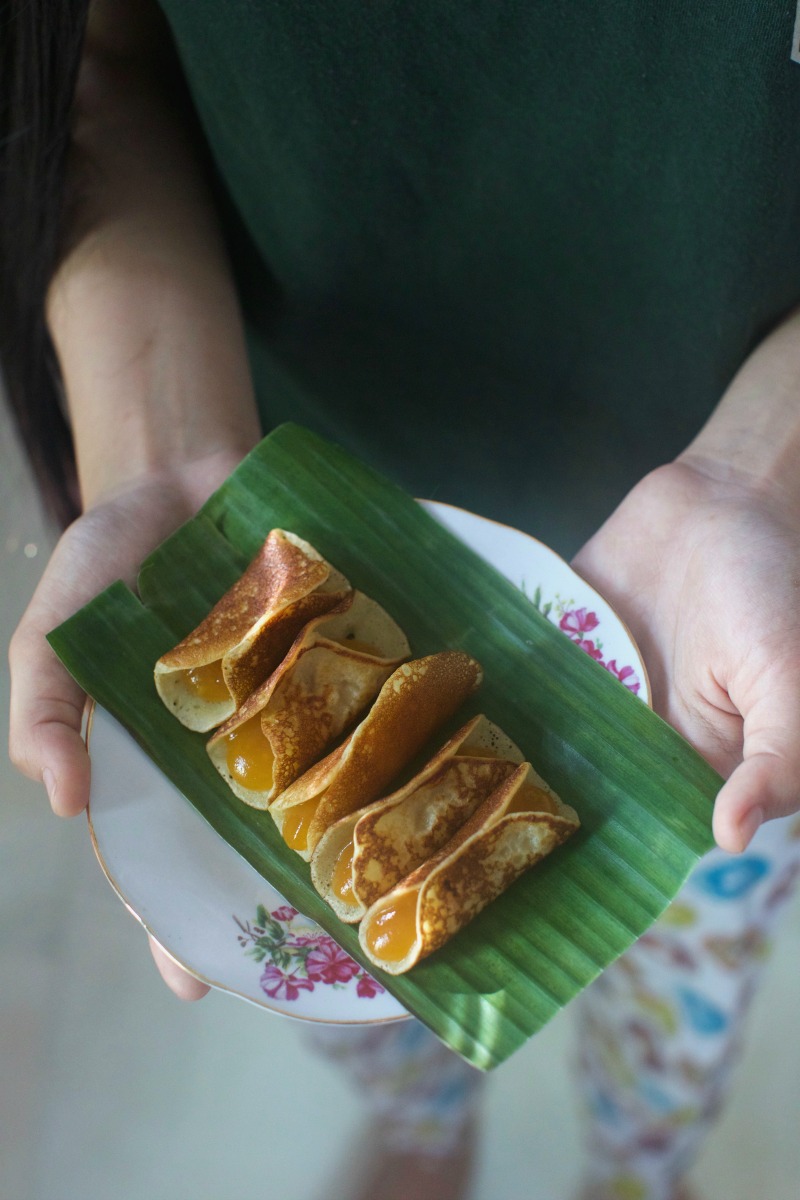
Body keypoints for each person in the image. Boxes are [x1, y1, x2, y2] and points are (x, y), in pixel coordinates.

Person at [3, 2, 800, 1198]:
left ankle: (639, 1169)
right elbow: (94, 58)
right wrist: (158, 451)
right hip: (281, 457)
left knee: (678, 1002)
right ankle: (427, 1131)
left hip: (714, 628)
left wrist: (764, 474)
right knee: (331, 979)